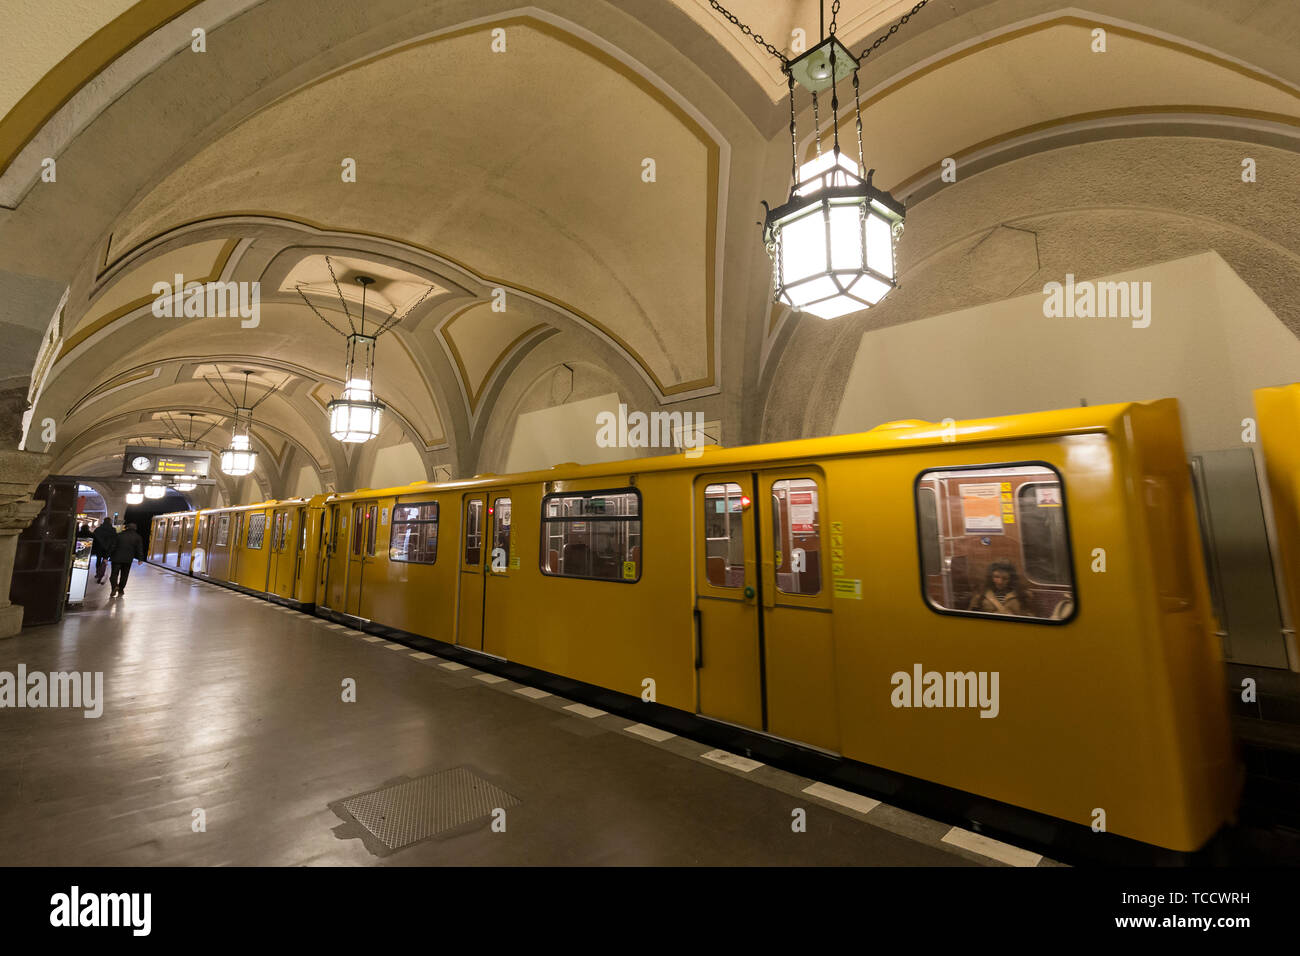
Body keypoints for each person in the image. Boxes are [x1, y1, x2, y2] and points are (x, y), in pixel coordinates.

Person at [109, 522, 145, 596]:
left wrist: (106, 556)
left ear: (126, 528)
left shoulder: (119, 535)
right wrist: (140, 559)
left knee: (114, 574)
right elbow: (139, 549)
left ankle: (114, 587)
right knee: (124, 575)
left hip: (116, 558)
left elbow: (112, 546)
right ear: (135, 529)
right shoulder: (138, 537)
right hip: (128, 559)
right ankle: (121, 589)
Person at [91, 517, 117, 585]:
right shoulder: (113, 530)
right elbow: (114, 540)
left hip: (99, 548)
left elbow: (94, 538)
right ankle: (101, 574)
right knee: (105, 561)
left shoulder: (98, 529)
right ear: (110, 522)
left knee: (98, 560)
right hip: (108, 548)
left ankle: (97, 573)